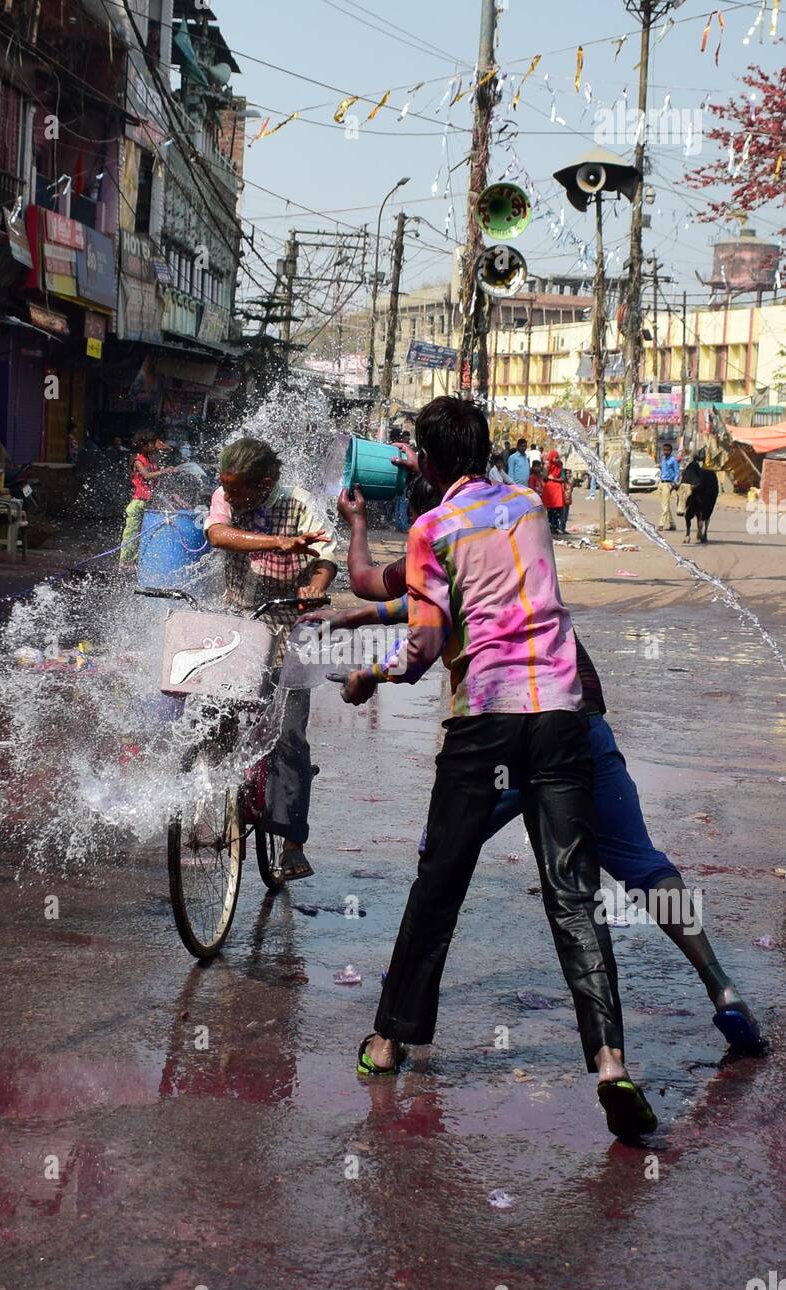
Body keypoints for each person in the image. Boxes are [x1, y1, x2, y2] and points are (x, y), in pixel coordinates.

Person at [334, 395, 655, 1140]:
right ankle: (610, 1061)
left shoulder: (429, 529)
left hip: (484, 718)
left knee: (439, 880)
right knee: (573, 894)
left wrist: (368, 677)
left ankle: (386, 1043)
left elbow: (422, 645)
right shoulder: (526, 504)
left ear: (433, 461)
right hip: (561, 714)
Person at [305, 589, 766, 1062]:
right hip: (574, 722)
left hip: (501, 732)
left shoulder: (448, 541)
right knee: (639, 865)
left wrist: (365, 646)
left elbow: (409, 600)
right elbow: (425, 597)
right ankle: (721, 988)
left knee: (440, 867)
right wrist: (365, 616)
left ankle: (392, 1031)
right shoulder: (524, 545)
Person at [206, 437, 338, 881]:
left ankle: (293, 842)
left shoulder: (300, 505)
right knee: (209, 713)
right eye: (226, 488)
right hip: (241, 629)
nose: (230, 496)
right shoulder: (224, 497)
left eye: (239, 491)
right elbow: (217, 534)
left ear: (264, 484)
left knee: (289, 737)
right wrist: (278, 544)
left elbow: (325, 558)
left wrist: (314, 584)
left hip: (290, 632)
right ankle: (212, 800)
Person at [118, 431, 172, 570]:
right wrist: (164, 471)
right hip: (138, 503)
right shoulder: (138, 460)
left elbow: (156, 482)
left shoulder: (151, 460)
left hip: (148, 503)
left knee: (142, 534)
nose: (154, 445)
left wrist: (165, 447)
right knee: (131, 534)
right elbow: (147, 476)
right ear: (143, 445)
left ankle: (135, 563)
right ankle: (124, 563)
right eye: (152, 443)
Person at [541, 449, 565, 533]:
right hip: (549, 491)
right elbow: (544, 477)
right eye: (556, 458)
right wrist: (547, 470)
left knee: (557, 510)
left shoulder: (560, 466)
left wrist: (554, 479)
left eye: (558, 457)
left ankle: (555, 527)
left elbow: (563, 479)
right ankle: (550, 527)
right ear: (551, 457)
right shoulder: (547, 465)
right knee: (550, 510)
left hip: (557, 491)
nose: (558, 459)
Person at [658, 442, 679, 531]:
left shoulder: (673, 460)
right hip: (661, 483)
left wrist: (673, 483)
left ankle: (661, 524)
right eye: (665, 450)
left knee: (665, 505)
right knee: (664, 505)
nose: (666, 452)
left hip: (668, 484)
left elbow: (677, 472)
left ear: (671, 451)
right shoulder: (663, 459)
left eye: (668, 450)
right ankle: (672, 524)